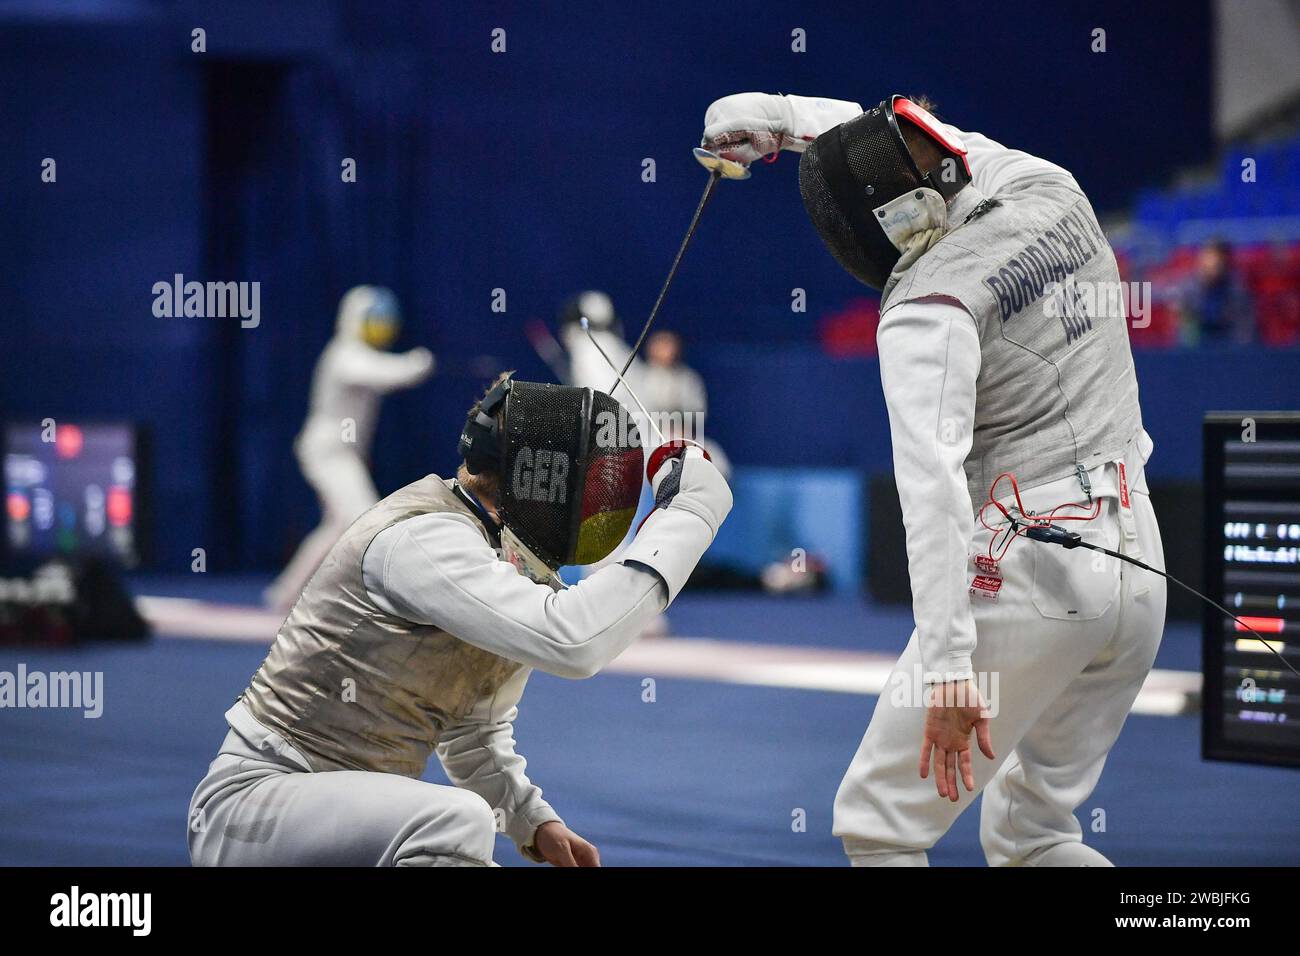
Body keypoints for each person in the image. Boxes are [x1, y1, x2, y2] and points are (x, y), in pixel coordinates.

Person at [701, 92, 1165, 866]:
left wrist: (948, 669)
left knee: (879, 826)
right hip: (1140, 569)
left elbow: (933, 491)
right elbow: (912, 135)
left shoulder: (925, 306)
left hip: (1038, 573)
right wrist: (781, 114)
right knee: (1036, 835)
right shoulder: (1048, 184)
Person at [189, 373, 732, 866]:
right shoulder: (426, 537)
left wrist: (531, 820)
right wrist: (689, 514)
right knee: (457, 822)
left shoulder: (500, 555)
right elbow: (574, 641)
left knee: (459, 847)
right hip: (255, 809)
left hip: (340, 824)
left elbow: (473, 729)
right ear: (545, 477)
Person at [264, 286, 434, 611]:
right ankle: (368, 602)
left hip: (341, 453)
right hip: (327, 452)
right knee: (366, 520)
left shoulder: (357, 353)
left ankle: (285, 593)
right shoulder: (345, 354)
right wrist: (417, 363)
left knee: (336, 527)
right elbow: (385, 373)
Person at [1178, 239, 1255, 345]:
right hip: (1198, 345)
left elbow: (1244, 331)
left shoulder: (1237, 289)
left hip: (1229, 342)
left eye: (1218, 264)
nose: (1213, 268)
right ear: (1201, 261)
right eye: (1209, 262)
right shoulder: (1188, 289)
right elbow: (1184, 329)